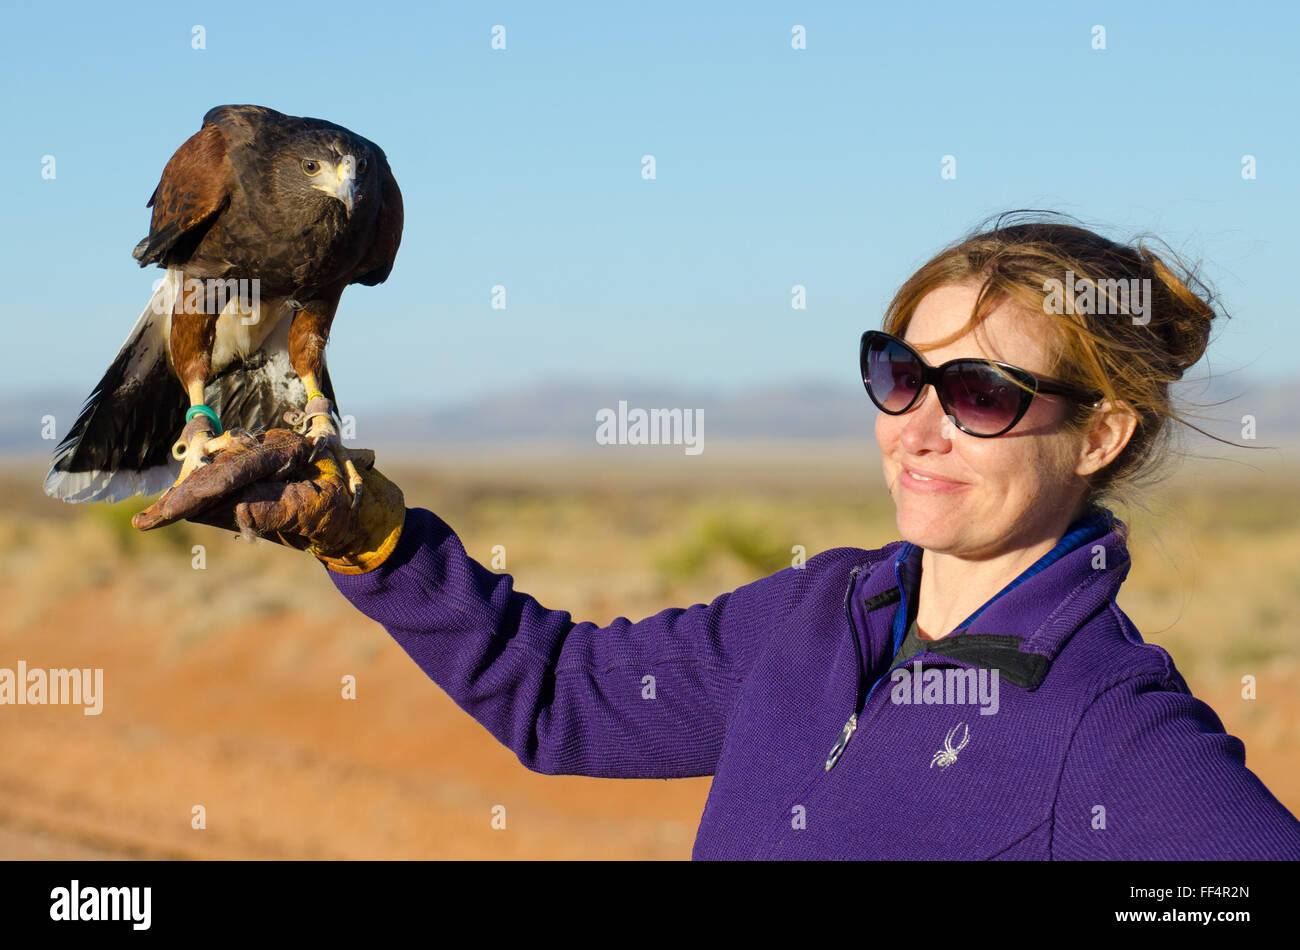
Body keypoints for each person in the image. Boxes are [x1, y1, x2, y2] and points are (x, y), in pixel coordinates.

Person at [134, 212, 1300, 860]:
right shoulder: (814, 617)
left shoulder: (1116, 739)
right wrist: (371, 535)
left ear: (1097, 436)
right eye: (900, 375)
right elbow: (561, 696)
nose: (921, 430)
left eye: (982, 394)